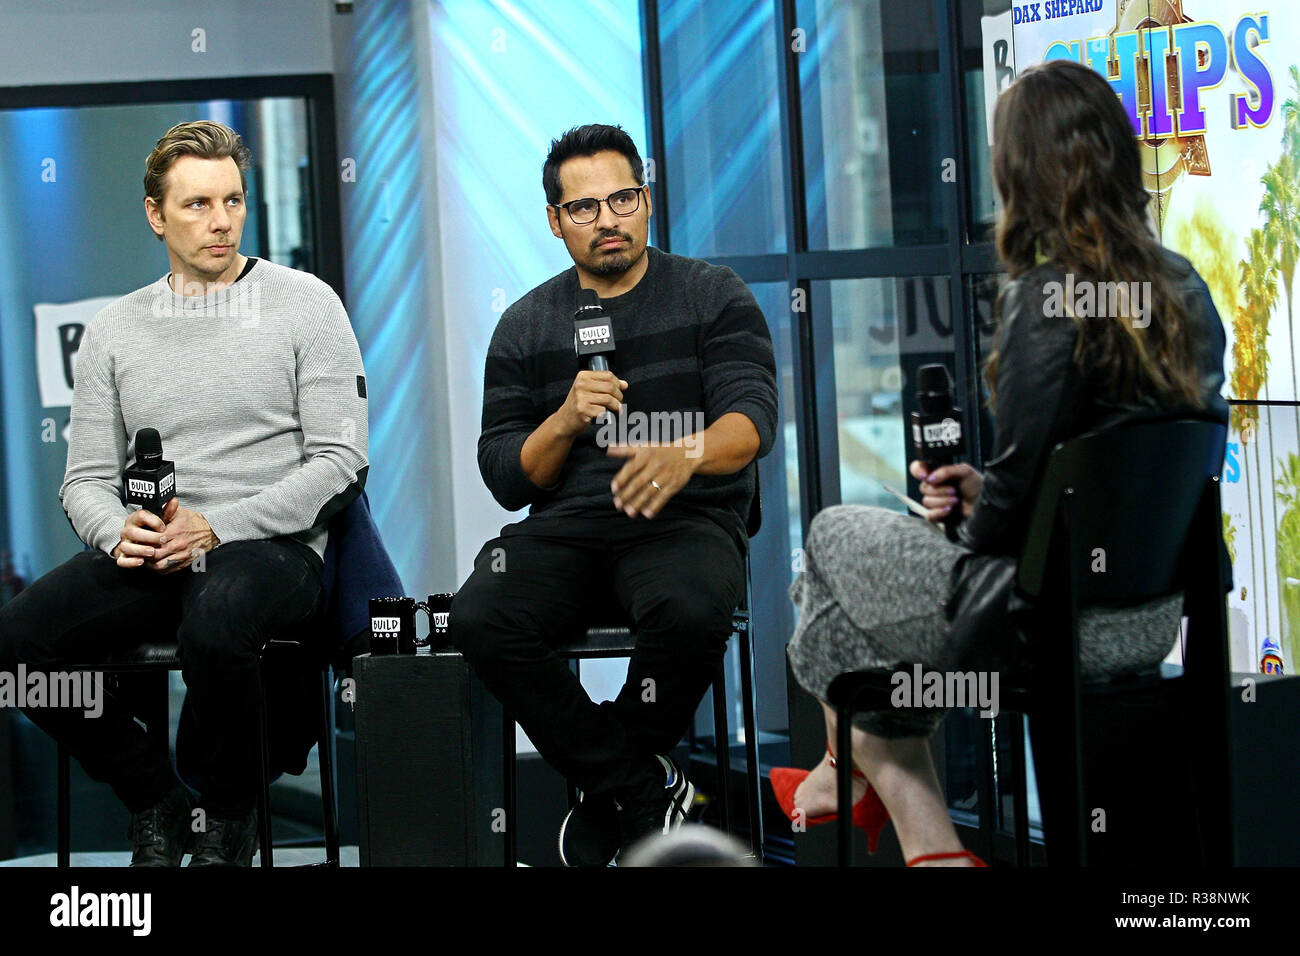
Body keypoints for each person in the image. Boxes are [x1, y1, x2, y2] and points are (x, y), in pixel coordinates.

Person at [775, 59, 1229, 866]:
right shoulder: (1183, 286)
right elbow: (1104, 473)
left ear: (1021, 171)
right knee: (833, 598)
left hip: (1049, 623)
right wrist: (991, 489)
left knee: (828, 542)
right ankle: (921, 837)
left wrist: (977, 511)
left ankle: (856, 769)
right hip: (1151, 618)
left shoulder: (1043, 298)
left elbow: (1003, 532)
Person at [0, 121, 369, 866]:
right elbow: (85, 479)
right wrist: (116, 531)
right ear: (156, 215)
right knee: (16, 648)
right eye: (198, 204)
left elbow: (341, 460)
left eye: (233, 200)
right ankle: (156, 798)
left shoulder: (306, 303)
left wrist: (216, 525)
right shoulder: (114, 332)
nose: (222, 220)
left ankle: (228, 819)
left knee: (218, 618)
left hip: (272, 546)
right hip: (156, 549)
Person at [450, 124, 778, 866]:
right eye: (585, 207)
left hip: (685, 518)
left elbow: (753, 421)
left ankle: (616, 787)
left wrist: (683, 454)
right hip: (570, 528)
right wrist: (564, 421)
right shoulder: (526, 324)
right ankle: (641, 786)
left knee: (691, 606)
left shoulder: (711, 294)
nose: (608, 220)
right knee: (480, 614)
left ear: (647, 200)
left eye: (622, 199)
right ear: (555, 220)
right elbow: (504, 474)